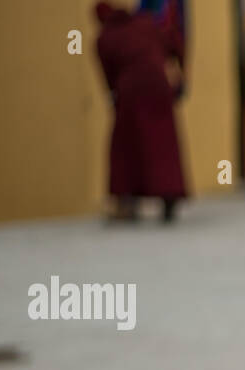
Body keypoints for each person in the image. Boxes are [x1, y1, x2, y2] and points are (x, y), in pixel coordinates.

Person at [94, 1, 188, 222]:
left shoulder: (104, 39)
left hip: (130, 94)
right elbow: (173, 41)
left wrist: (113, 96)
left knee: (126, 147)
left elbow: (108, 76)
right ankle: (169, 195)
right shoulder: (145, 24)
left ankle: (127, 198)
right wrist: (179, 68)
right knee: (163, 145)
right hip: (160, 89)